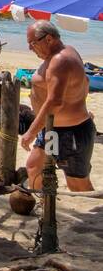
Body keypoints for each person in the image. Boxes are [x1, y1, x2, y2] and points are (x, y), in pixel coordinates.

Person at [21, 21, 95, 192]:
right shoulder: (58, 55)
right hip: (52, 130)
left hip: (72, 132)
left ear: (49, 39)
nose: (30, 49)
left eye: (33, 43)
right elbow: (86, 81)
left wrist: (31, 132)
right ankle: (45, 205)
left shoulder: (60, 60)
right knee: (34, 167)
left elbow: (55, 102)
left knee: (78, 185)